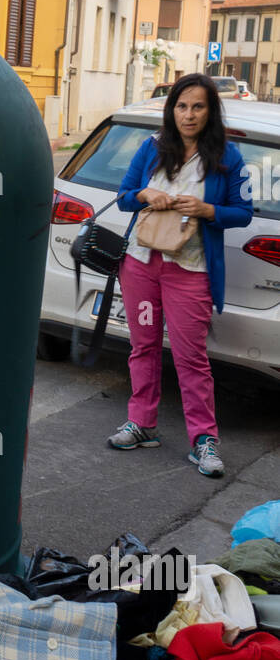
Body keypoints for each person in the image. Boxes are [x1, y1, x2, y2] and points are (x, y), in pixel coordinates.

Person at [108, 72, 252, 478]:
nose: (188, 115)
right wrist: (144, 194)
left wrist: (208, 211)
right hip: (141, 264)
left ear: (211, 111)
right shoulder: (151, 147)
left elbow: (242, 212)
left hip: (190, 269)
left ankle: (203, 440)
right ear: (172, 109)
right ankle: (141, 423)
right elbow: (123, 197)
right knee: (143, 346)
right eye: (182, 105)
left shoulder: (228, 156)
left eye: (198, 106)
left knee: (191, 357)